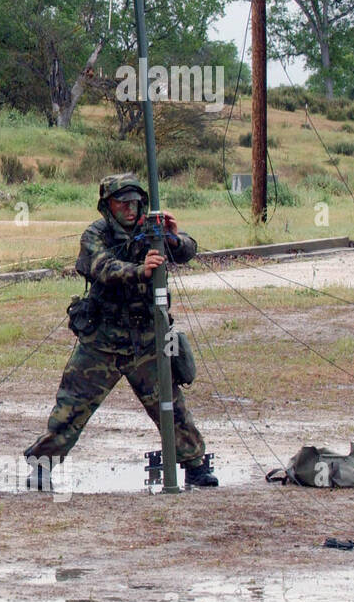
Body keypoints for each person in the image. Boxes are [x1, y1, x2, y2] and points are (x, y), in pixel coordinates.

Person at [25, 172, 218, 487]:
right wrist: (141, 270)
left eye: (135, 203)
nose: (130, 209)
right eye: (122, 203)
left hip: (146, 340)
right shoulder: (95, 235)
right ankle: (42, 466)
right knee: (72, 407)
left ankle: (195, 465)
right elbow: (103, 268)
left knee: (170, 407)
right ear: (107, 206)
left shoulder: (150, 230)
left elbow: (187, 250)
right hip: (101, 340)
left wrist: (171, 238)